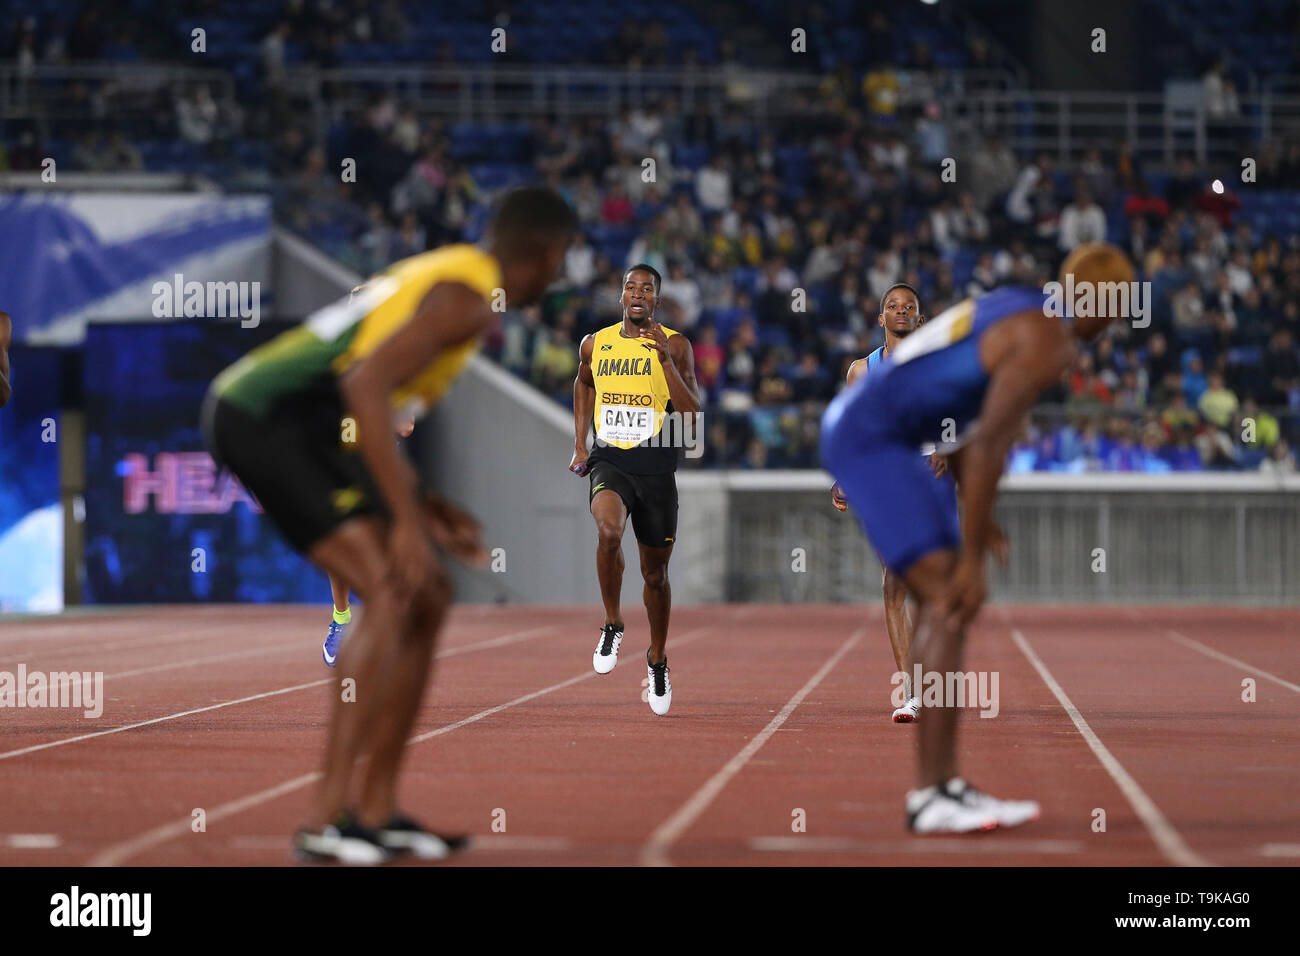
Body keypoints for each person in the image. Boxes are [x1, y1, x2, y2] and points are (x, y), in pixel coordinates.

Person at [202, 186, 576, 862]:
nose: (558, 277)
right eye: (561, 261)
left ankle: (375, 811)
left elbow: (370, 405)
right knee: (394, 587)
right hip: (265, 415)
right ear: (548, 253)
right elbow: (365, 388)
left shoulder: (462, 282)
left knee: (426, 595)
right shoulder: (466, 296)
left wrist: (426, 504)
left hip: (314, 426)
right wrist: (405, 524)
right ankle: (325, 822)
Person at [821, 242, 1133, 834]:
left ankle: (942, 787)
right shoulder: (1048, 341)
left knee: (949, 609)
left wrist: (979, 522)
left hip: (879, 432)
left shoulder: (1018, 307)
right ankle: (933, 793)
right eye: (1114, 308)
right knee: (949, 598)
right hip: (874, 438)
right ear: (1098, 299)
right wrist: (972, 551)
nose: (1114, 323)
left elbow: (964, 432)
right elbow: (991, 442)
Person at [569, 264, 701, 715]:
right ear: (621, 295)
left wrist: (665, 361)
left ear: (657, 300)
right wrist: (579, 443)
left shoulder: (676, 343)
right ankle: (611, 623)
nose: (638, 293)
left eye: (647, 288)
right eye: (630, 286)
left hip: (657, 464)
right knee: (608, 531)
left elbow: (692, 412)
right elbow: (583, 383)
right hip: (611, 458)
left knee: (655, 576)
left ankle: (657, 658)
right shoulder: (595, 343)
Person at [831, 283, 955, 723]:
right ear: (880, 317)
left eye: (909, 307)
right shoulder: (861, 371)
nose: (900, 311)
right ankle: (913, 692)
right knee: (893, 584)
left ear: (919, 318)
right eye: (892, 306)